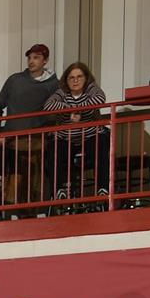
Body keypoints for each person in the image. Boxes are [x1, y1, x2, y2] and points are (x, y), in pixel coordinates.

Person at [0, 43, 58, 201]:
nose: (31, 61)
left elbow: (55, 112)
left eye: (36, 57)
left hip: (37, 139)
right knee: (16, 176)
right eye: (29, 57)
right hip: (13, 139)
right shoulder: (14, 80)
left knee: (36, 176)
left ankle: (37, 209)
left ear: (45, 60)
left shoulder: (53, 85)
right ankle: (15, 212)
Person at [46, 62, 107, 200]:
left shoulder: (91, 89)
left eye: (79, 77)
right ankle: (59, 190)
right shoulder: (62, 92)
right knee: (53, 149)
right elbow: (49, 105)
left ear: (86, 78)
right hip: (66, 138)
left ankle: (102, 188)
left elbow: (100, 98)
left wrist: (77, 108)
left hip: (89, 135)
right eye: (71, 77)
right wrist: (70, 109)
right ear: (66, 80)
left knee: (101, 143)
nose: (75, 80)